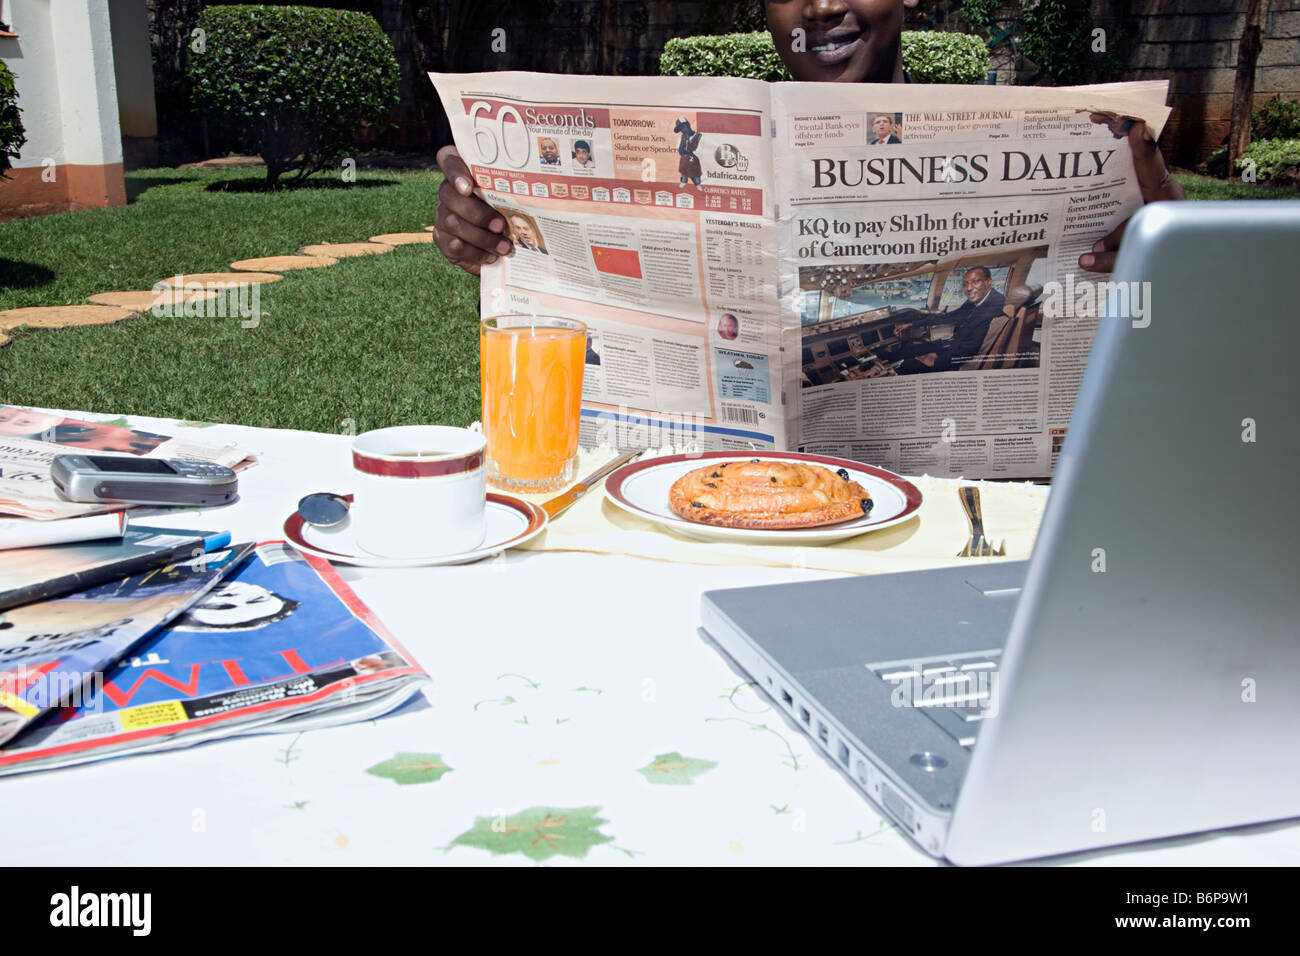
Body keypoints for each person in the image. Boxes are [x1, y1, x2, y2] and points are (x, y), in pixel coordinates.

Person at [432, 0, 1183, 276]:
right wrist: (488, 228)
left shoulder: (1029, 146)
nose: (821, 7)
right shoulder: (721, 139)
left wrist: (1166, 245)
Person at [892, 266, 1004, 373]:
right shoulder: (977, 300)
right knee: (908, 351)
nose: (969, 288)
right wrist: (912, 324)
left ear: (988, 282)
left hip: (956, 353)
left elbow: (970, 347)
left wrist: (936, 361)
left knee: (907, 366)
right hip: (951, 344)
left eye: (976, 282)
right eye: (965, 284)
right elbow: (949, 316)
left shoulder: (994, 306)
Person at [674, 117, 702, 187]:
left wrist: (688, 151)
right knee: (683, 177)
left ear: (688, 125)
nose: (682, 130)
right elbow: (680, 151)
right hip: (684, 163)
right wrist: (685, 150)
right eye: (680, 129)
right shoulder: (681, 137)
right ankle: (684, 181)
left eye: (683, 127)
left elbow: (699, 153)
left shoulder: (699, 136)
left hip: (695, 164)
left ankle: (696, 183)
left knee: (697, 182)